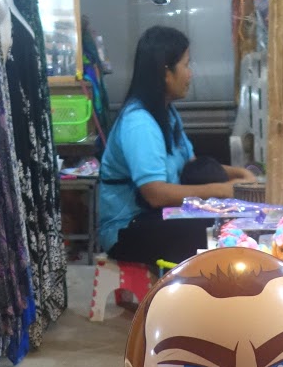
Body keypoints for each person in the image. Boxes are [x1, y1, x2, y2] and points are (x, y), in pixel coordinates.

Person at [99, 26, 256, 268]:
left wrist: (240, 175)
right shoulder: (139, 123)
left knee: (213, 185)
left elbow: (192, 166)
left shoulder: (167, 113)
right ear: (166, 73)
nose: (190, 74)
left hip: (159, 215)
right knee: (211, 228)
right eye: (186, 65)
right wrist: (224, 190)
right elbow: (155, 194)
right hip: (128, 228)